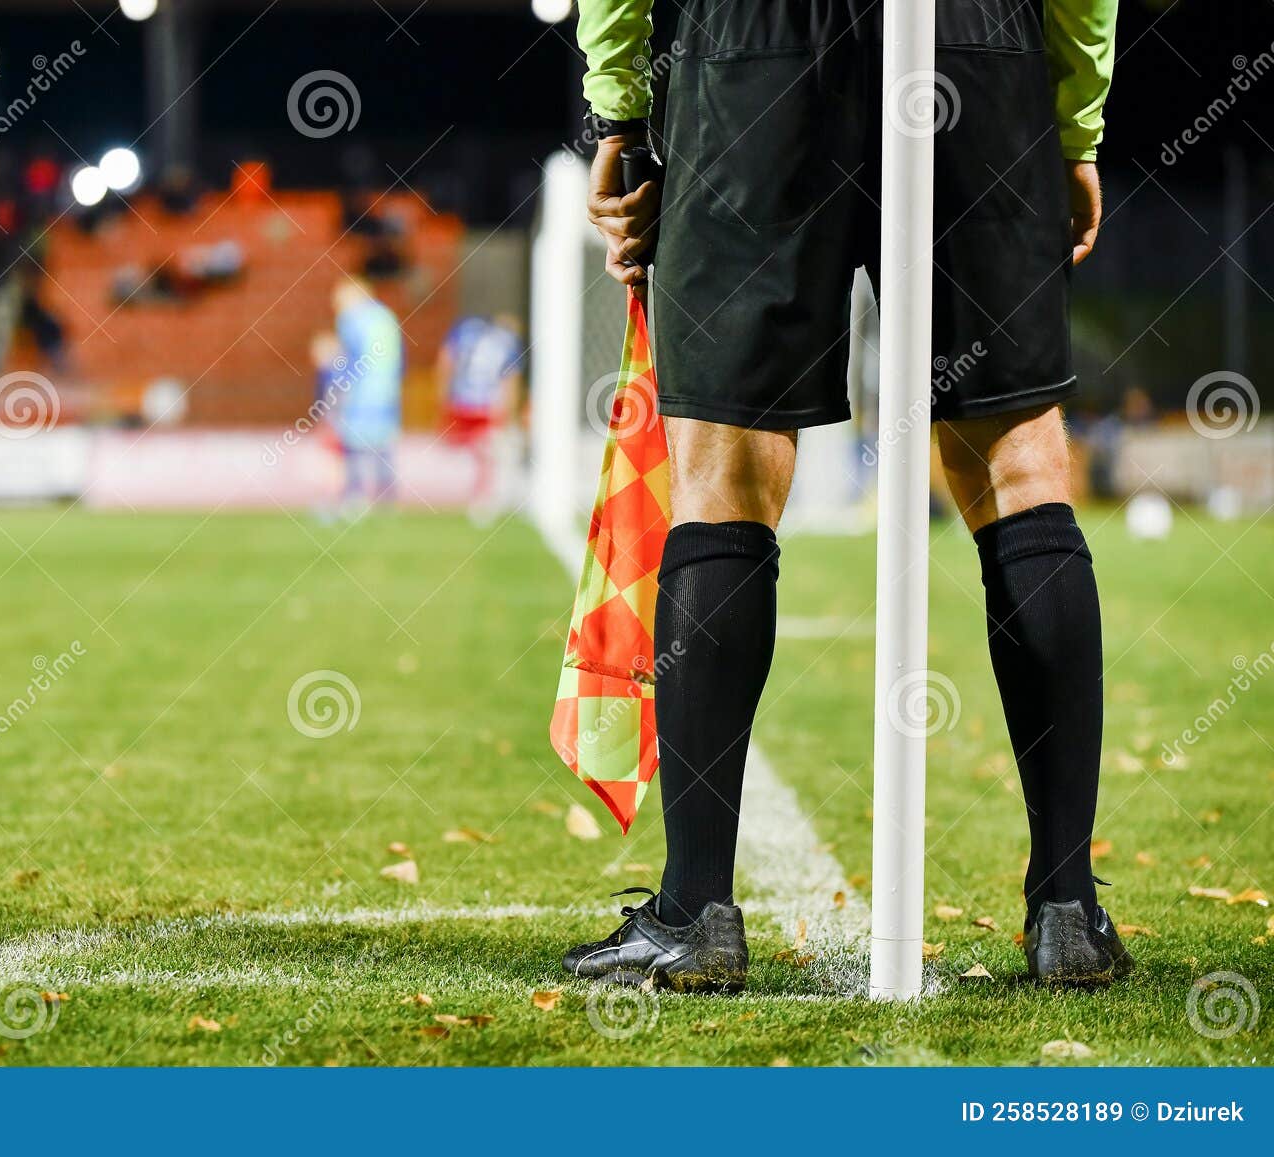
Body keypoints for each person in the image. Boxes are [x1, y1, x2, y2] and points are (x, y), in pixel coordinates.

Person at [564, 0, 1130, 989]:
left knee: (725, 471)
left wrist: (619, 115)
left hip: (754, 49)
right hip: (974, 44)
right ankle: (1066, 910)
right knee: (1020, 467)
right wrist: (1072, 126)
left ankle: (695, 912)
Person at [438, 314, 523, 522]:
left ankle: (460, 497)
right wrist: (509, 415)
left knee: (465, 450)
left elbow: (445, 360)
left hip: (461, 401)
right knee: (486, 454)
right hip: (488, 406)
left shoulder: (466, 330)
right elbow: (510, 381)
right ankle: (482, 501)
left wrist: (443, 394)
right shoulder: (508, 342)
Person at [330, 276, 403, 512]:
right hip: (386, 389)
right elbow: (400, 356)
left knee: (353, 441)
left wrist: (339, 387)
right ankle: (387, 495)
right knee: (382, 442)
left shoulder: (352, 319)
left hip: (360, 389)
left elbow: (350, 357)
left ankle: (355, 493)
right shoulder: (386, 316)